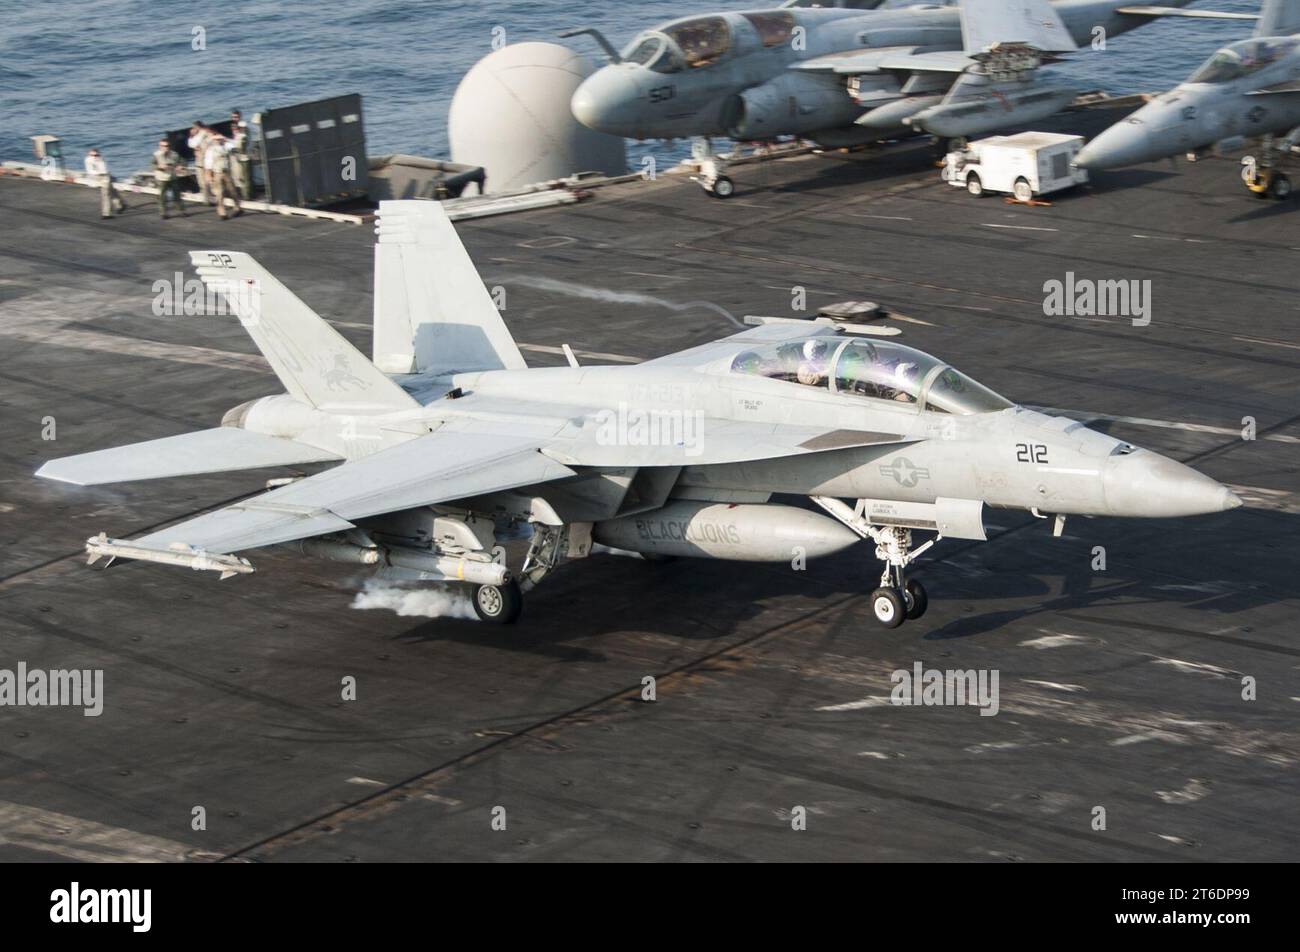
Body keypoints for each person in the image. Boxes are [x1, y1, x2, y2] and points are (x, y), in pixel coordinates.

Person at [84, 148, 127, 218]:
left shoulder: (99, 160)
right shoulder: (89, 160)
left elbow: (105, 170)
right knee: (109, 193)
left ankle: (113, 210)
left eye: (96, 155)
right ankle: (115, 208)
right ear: (89, 155)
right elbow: (90, 170)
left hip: (105, 177)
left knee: (108, 193)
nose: (95, 156)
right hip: (100, 177)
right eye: (93, 155)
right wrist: (98, 173)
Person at [209, 135, 242, 219]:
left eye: (219, 139)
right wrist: (209, 176)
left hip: (226, 172)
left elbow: (234, 147)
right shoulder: (210, 150)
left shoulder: (226, 146)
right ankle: (222, 212)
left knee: (232, 190)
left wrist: (226, 139)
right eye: (216, 139)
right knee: (220, 193)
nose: (218, 141)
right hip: (217, 173)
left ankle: (237, 207)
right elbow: (208, 164)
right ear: (213, 141)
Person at [151, 138, 185, 219]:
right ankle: (163, 213)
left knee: (177, 195)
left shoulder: (174, 154)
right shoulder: (156, 155)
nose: (166, 147)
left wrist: (180, 166)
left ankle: (181, 210)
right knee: (162, 197)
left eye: (167, 146)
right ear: (160, 146)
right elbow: (152, 165)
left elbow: (182, 161)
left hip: (173, 177)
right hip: (161, 178)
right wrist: (159, 167)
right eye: (163, 146)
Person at [187, 122, 213, 203]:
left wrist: (191, 135)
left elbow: (191, 144)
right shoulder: (208, 133)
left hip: (202, 161)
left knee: (203, 181)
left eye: (194, 128)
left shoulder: (200, 135)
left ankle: (207, 199)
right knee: (208, 180)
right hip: (208, 160)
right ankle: (210, 196)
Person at [229, 109, 252, 199]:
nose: (235, 118)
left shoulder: (243, 126)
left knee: (244, 176)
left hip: (243, 153)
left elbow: (244, 140)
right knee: (237, 175)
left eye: (236, 117)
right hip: (236, 154)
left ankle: (247, 195)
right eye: (233, 117)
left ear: (240, 117)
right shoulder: (235, 126)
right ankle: (242, 193)